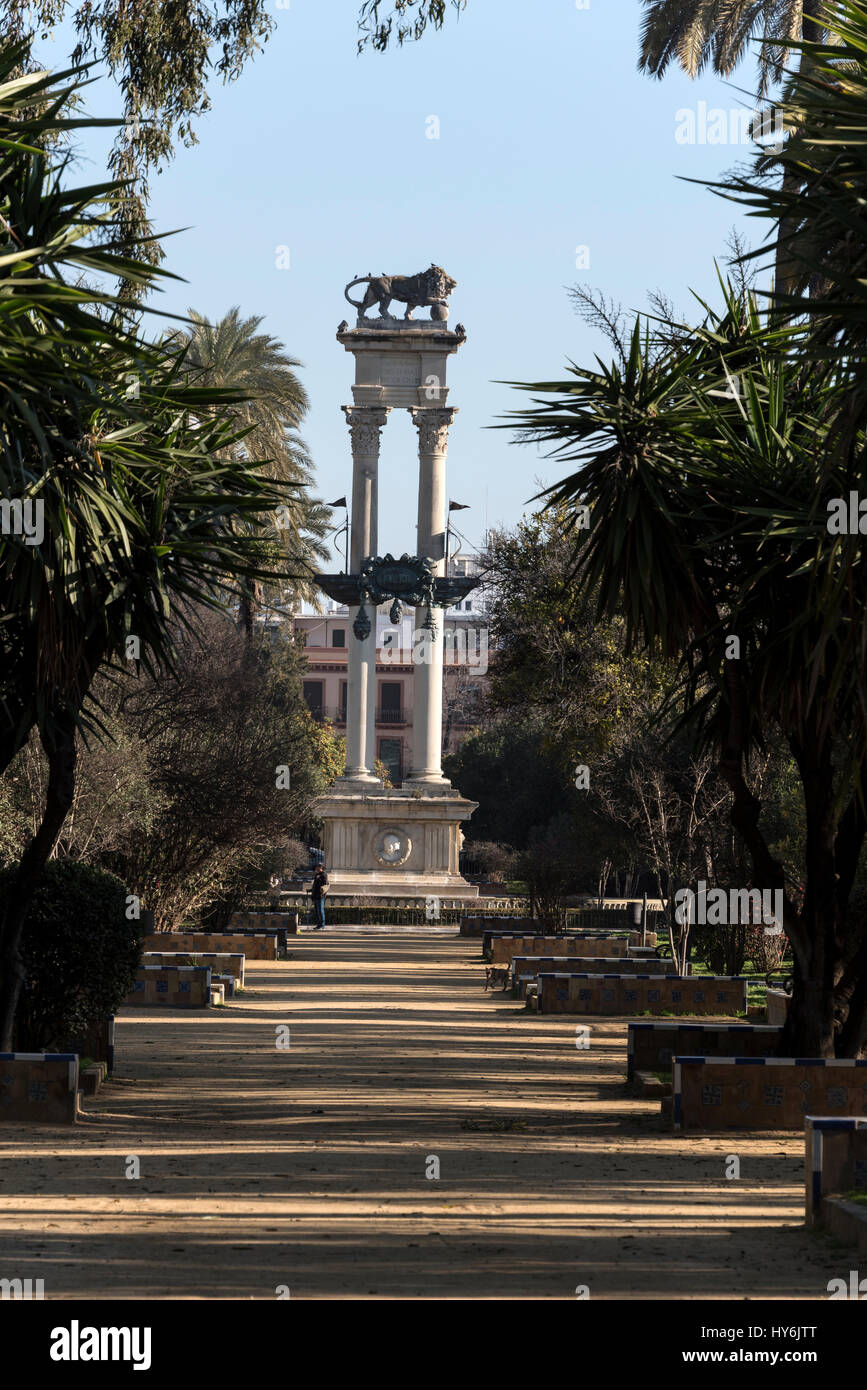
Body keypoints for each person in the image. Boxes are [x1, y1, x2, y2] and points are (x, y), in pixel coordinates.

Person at [309, 862, 328, 931]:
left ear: (321, 867)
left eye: (318, 867)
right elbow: (315, 885)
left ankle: (322, 925)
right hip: (315, 895)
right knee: (317, 911)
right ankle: (318, 924)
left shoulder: (324, 874)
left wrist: (319, 879)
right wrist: (311, 890)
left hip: (320, 896)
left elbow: (325, 884)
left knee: (320, 910)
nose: (316, 868)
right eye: (316, 866)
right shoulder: (317, 874)